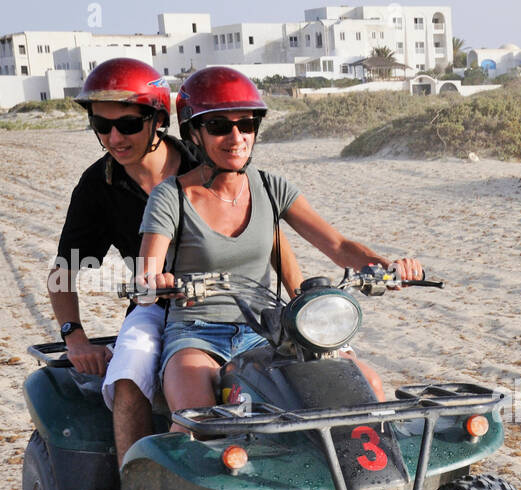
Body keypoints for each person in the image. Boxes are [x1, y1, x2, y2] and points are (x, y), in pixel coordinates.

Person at [49, 58, 301, 490]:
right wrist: (73, 336)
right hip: (155, 306)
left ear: (157, 119)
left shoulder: (205, 148)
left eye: (127, 123)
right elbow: (64, 271)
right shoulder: (98, 187)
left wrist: (301, 304)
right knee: (128, 380)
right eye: (102, 125)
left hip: (232, 304)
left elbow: (271, 233)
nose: (114, 137)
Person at [135, 67, 411, 425]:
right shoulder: (171, 196)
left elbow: (338, 244)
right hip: (196, 336)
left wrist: (386, 266)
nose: (236, 137)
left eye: (246, 125)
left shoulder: (269, 187)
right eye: (219, 126)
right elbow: (147, 273)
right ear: (194, 134)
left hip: (268, 332)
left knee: (367, 386)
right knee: (196, 422)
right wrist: (158, 281)